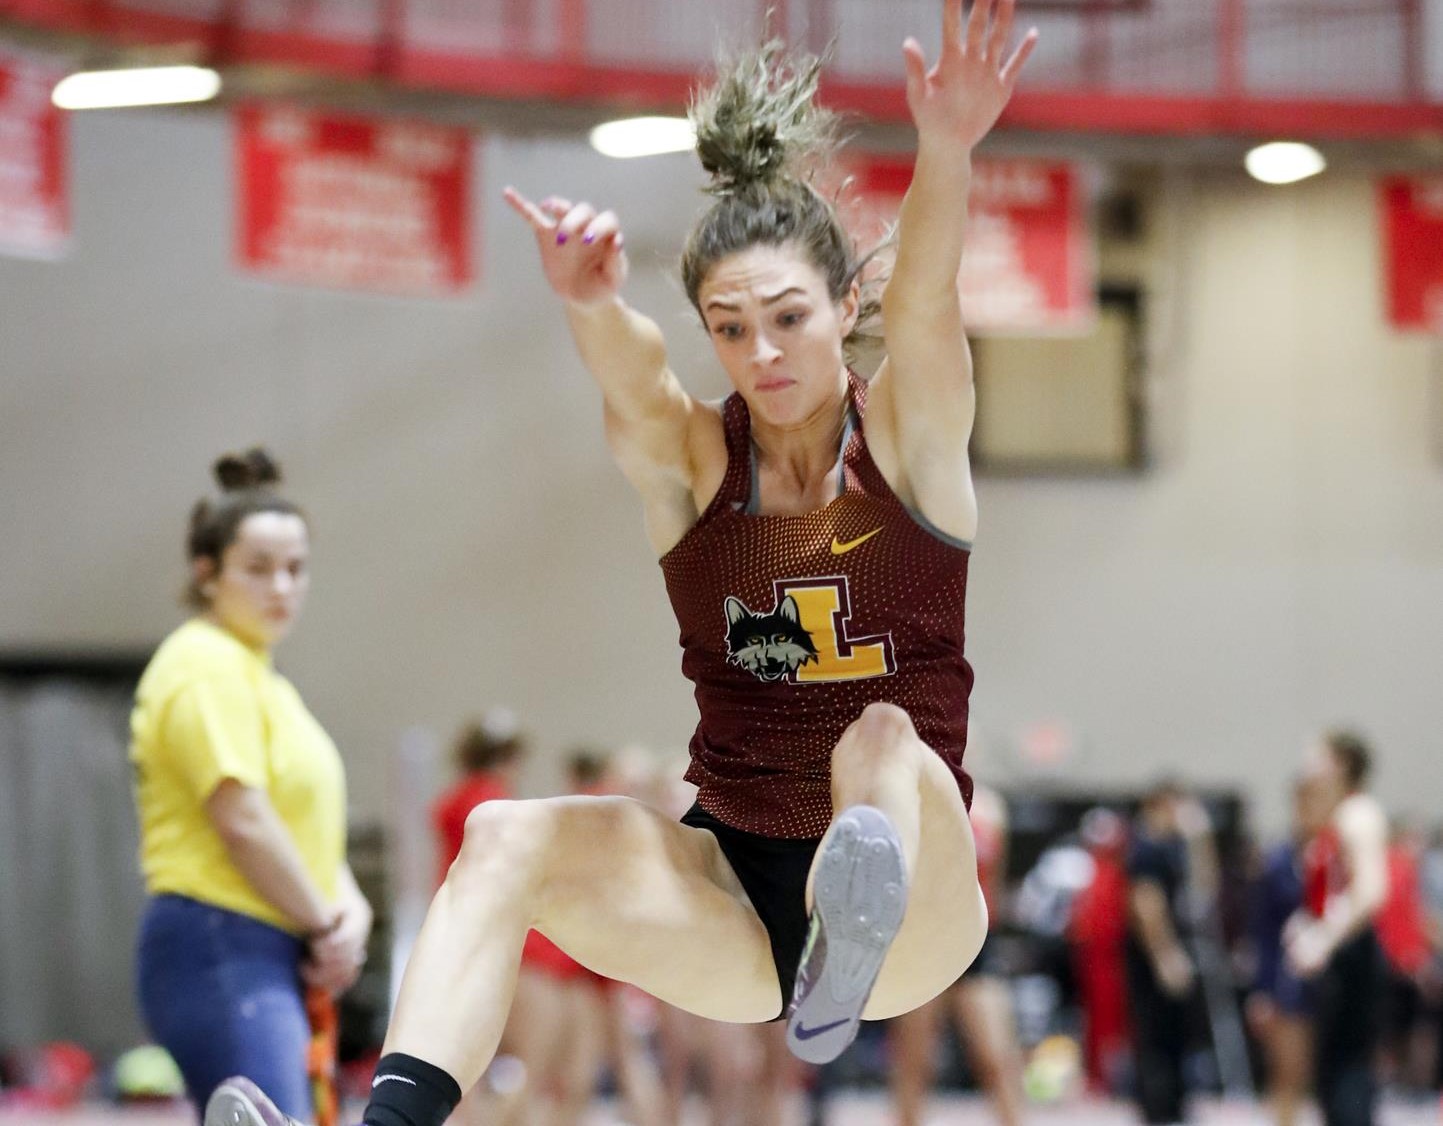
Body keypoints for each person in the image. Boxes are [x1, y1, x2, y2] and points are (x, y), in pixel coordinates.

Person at [207, 5, 1039, 1126]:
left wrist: (947, 147)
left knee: (877, 735)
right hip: (738, 900)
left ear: (846, 307)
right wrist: (589, 300)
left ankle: (852, 935)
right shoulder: (700, 467)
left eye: (790, 317)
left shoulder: (907, 447)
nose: (764, 352)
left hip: (917, 906)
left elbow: (931, 298)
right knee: (503, 835)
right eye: (731, 326)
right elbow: (638, 387)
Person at [130, 449, 372, 1120]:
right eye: (258, 569)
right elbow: (243, 821)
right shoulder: (204, 665)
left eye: (295, 570)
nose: (282, 588)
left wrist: (351, 914)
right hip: (220, 943)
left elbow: (307, 832)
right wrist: (326, 923)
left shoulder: (267, 683)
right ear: (207, 573)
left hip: (275, 942)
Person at [887, 782, 1026, 1126]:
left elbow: (994, 878)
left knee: (996, 1055)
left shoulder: (991, 807)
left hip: (976, 943)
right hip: (925, 940)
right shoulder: (914, 796)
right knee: (916, 1061)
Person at [1285, 730, 1388, 1126]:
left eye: (1317, 755)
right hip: (1339, 955)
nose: (1306, 761)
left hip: (1354, 956)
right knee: (1330, 1074)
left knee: (1348, 1074)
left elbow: (1370, 891)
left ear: (1340, 764)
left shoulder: (1358, 814)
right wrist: (1306, 924)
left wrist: (1323, 938)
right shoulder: (1334, 814)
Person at [1245, 776, 1326, 1126]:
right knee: (1288, 1069)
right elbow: (1262, 931)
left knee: (1315, 1072)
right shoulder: (1278, 859)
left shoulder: (1334, 854)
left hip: (1328, 974)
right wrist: (1262, 990)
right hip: (1286, 977)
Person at [1124, 781, 1203, 1126]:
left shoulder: (1174, 847)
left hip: (1176, 949)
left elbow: (1203, 887)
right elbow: (1145, 904)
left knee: (1176, 1036)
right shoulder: (1147, 848)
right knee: (1155, 1036)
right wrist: (1165, 956)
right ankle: (1156, 1109)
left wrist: (1201, 839)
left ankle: (1172, 1105)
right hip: (1154, 960)